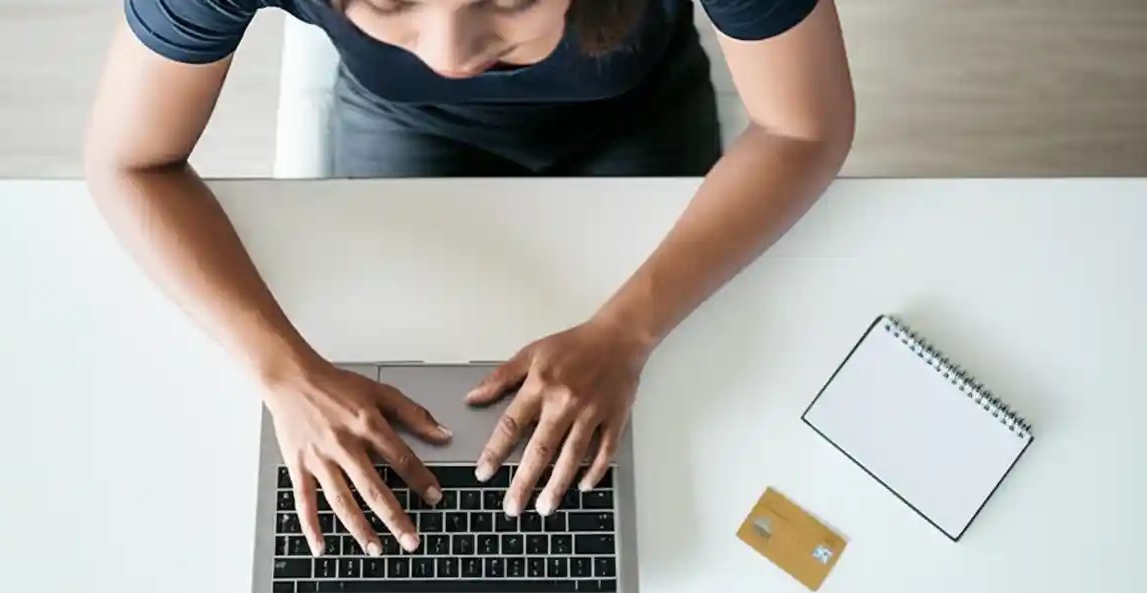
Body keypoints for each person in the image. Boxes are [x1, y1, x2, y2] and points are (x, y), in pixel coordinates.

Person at [84, 0, 854, 558]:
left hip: (636, 108)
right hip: (404, 118)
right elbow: (128, 161)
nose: (450, 57)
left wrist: (629, 330)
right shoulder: (436, 66)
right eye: (389, 2)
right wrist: (283, 372)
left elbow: (803, 127)